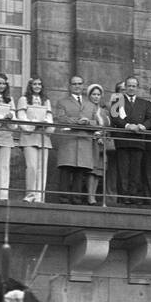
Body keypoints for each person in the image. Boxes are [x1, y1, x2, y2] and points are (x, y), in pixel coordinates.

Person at [113, 77, 151, 206]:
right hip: (123, 140)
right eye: (129, 85)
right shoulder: (117, 99)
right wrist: (128, 126)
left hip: (138, 140)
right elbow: (115, 117)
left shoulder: (144, 103)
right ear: (125, 86)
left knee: (135, 171)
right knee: (123, 170)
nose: (131, 88)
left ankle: (133, 196)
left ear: (137, 87)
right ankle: (123, 196)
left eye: (134, 86)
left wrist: (144, 126)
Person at [54, 74, 95, 204]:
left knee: (80, 172)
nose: (77, 86)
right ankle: (63, 198)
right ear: (70, 86)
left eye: (79, 84)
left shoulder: (90, 104)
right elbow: (61, 118)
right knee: (66, 171)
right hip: (69, 141)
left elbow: (97, 122)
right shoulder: (62, 102)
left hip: (84, 142)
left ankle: (77, 199)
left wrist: (88, 122)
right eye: (74, 84)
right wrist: (78, 122)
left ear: (83, 86)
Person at [16, 76, 54, 203]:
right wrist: (34, 124)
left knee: (42, 168)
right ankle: (30, 194)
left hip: (43, 137)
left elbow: (50, 118)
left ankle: (39, 197)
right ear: (30, 86)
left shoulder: (45, 101)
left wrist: (47, 124)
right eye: (34, 84)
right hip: (29, 136)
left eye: (39, 84)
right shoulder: (24, 99)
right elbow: (21, 117)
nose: (37, 86)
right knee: (31, 166)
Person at [85, 83, 111, 205]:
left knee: (99, 170)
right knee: (92, 169)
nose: (96, 97)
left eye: (98, 94)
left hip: (102, 143)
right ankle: (90, 196)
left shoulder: (104, 111)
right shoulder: (86, 107)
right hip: (91, 141)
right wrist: (96, 133)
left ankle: (94, 195)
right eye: (94, 94)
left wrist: (104, 136)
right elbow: (86, 122)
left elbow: (108, 126)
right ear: (89, 96)